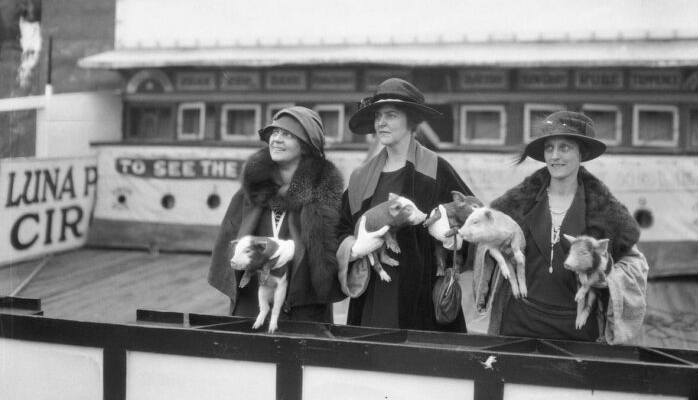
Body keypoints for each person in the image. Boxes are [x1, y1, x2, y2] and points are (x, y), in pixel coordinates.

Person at [474, 110, 648, 344]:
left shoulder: (606, 213)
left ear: (582, 153)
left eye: (564, 147)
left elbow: (635, 265)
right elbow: (482, 241)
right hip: (518, 324)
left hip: (578, 329)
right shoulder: (516, 204)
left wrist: (608, 277)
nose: (555, 156)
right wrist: (492, 248)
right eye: (549, 148)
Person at [336, 78, 475, 332]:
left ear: (411, 121)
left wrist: (453, 239)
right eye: (378, 116)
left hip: (421, 298)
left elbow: (474, 216)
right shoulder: (360, 177)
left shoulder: (436, 168)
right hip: (373, 294)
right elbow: (339, 230)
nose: (381, 122)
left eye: (391, 115)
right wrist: (354, 249)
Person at [208, 106, 344, 323]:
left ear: (307, 147)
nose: (277, 139)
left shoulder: (325, 198)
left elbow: (335, 255)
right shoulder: (247, 194)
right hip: (253, 306)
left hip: (303, 311)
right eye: (275, 133)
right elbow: (227, 246)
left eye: (288, 135)